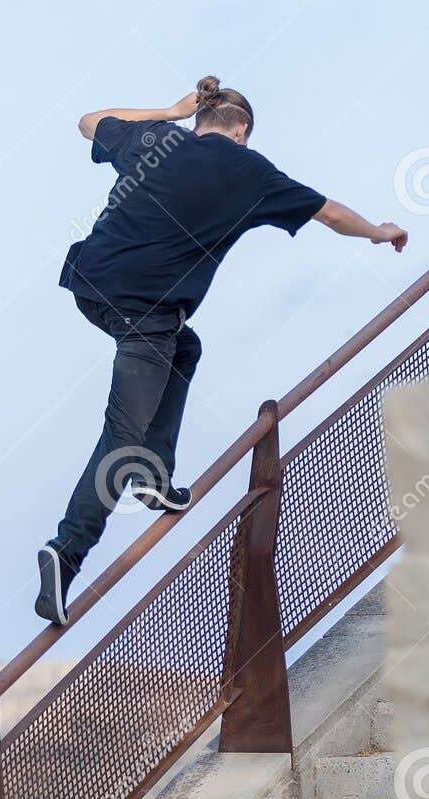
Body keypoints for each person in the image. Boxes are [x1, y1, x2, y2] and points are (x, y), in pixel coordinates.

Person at [36, 76, 409, 625]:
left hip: (92, 284)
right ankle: (65, 554)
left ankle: (154, 475)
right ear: (242, 132)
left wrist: (167, 110)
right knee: (122, 433)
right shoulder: (249, 171)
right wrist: (379, 231)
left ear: (199, 120)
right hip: (146, 311)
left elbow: (88, 121)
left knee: (185, 348)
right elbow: (329, 214)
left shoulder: (156, 138)